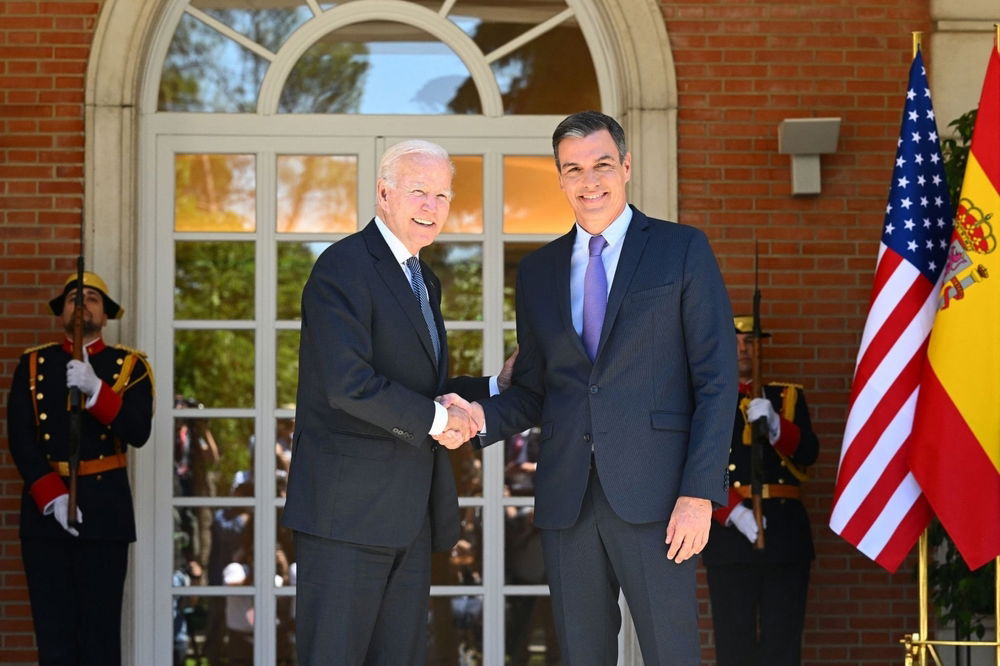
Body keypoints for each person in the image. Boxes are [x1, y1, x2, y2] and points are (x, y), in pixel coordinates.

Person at [454, 110, 738, 665]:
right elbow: (536, 389)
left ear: (626, 166)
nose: (590, 181)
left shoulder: (681, 250)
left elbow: (717, 379)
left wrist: (699, 492)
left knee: (672, 655)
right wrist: (478, 416)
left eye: (602, 165)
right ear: (560, 178)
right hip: (568, 500)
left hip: (661, 499)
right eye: (574, 169)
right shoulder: (537, 272)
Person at [282, 139, 512, 665]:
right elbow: (348, 384)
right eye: (418, 192)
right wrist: (440, 420)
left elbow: (418, 385)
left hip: (408, 517)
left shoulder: (422, 278)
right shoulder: (343, 266)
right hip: (346, 518)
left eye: (442, 195)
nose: (432, 206)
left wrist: (494, 386)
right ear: (384, 194)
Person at [5, 270, 154, 665]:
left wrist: (96, 390)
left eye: (92, 298)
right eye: (74, 298)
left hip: (106, 511)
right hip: (46, 513)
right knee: (53, 637)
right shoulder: (34, 364)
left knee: (100, 638)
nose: (82, 304)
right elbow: (20, 438)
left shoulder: (130, 366)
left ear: (105, 316)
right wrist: (50, 495)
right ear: (61, 313)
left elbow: (138, 431)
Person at [701, 315, 819, 666]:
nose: (743, 349)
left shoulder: (786, 398)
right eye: (735, 341)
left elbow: (809, 454)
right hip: (730, 535)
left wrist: (777, 425)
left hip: (784, 532)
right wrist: (733, 512)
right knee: (733, 644)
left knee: (782, 644)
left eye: (750, 341)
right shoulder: (706, 401)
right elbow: (697, 465)